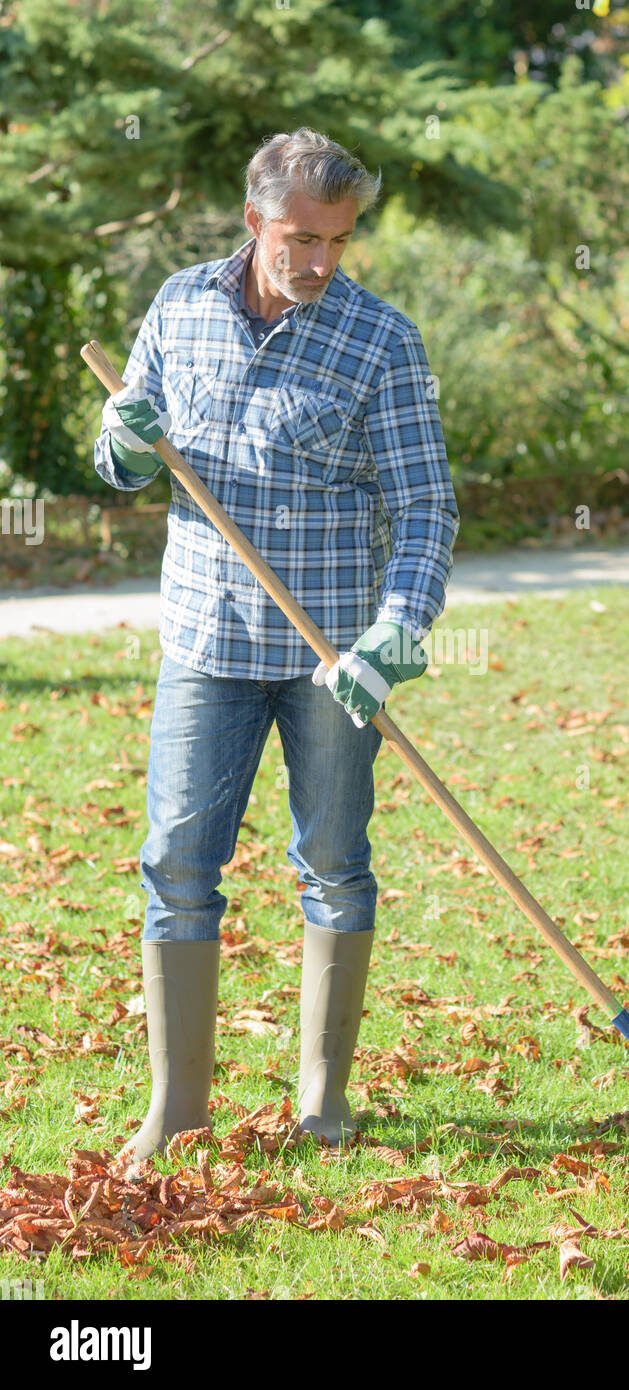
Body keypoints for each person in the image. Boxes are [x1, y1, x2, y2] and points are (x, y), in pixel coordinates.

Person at [93, 128, 460, 1166]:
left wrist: (396, 632)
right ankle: (177, 1110)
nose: (321, 261)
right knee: (177, 866)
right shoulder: (180, 307)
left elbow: (425, 508)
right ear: (255, 220)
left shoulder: (381, 341)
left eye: (338, 240)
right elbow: (123, 459)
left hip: (331, 661)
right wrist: (122, 443)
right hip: (204, 641)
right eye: (302, 238)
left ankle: (323, 1101)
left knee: (335, 866)